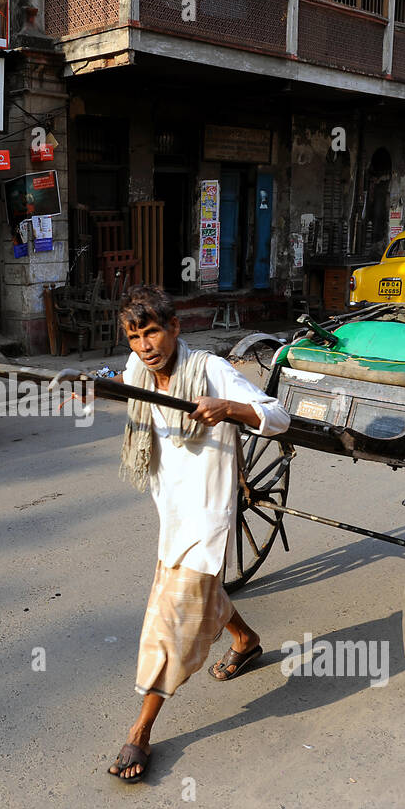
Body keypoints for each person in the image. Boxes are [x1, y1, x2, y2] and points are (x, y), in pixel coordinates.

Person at [100, 287, 290, 782]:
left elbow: (277, 417)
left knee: (173, 617)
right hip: (172, 515)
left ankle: (141, 729)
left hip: (207, 517)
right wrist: (92, 384)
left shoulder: (209, 370)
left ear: (175, 327)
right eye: (136, 336)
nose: (146, 345)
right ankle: (245, 640)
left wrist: (229, 408)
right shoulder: (138, 370)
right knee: (201, 593)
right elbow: (119, 381)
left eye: (154, 332)